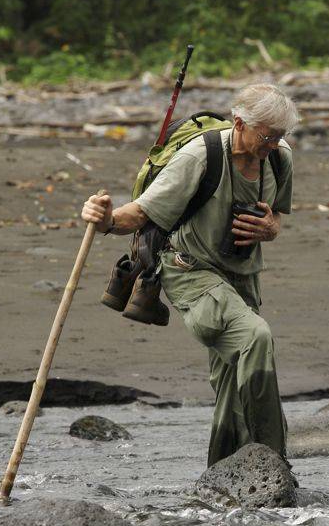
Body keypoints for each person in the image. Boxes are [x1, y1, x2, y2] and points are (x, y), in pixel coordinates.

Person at [80, 83, 298, 470]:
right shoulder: (199, 157)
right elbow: (141, 214)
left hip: (243, 277)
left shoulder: (280, 157)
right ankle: (272, 457)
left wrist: (271, 229)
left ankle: (224, 472)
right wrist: (107, 220)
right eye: (266, 136)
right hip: (190, 272)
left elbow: (277, 215)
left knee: (232, 380)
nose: (273, 144)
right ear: (239, 123)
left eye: (280, 136)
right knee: (255, 338)